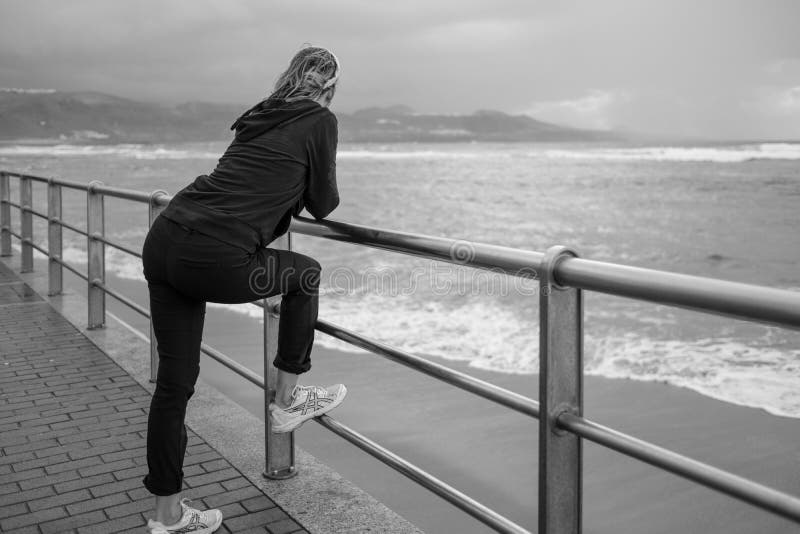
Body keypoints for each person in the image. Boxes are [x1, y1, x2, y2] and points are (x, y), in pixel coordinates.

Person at [141, 46, 347, 534]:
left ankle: (168, 516)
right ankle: (288, 400)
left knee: (173, 387)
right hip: (216, 255)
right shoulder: (320, 119)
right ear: (330, 85)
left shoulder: (260, 113)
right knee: (307, 273)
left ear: (290, 74)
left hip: (166, 238)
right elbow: (325, 203)